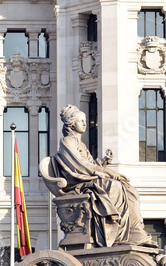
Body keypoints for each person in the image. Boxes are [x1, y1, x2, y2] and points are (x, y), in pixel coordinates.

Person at [49, 104, 156, 249]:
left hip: (88, 178)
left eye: (85, 120)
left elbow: (90, 164)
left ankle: (134, 230)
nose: (85, 123)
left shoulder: (81, 144)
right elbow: (79, 166)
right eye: (81, 121)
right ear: (71, 123)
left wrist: (103, 163)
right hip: (79, 183)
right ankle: (118, 234)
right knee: (114, 185)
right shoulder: (67, 141)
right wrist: (109, 172)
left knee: (129, 189)